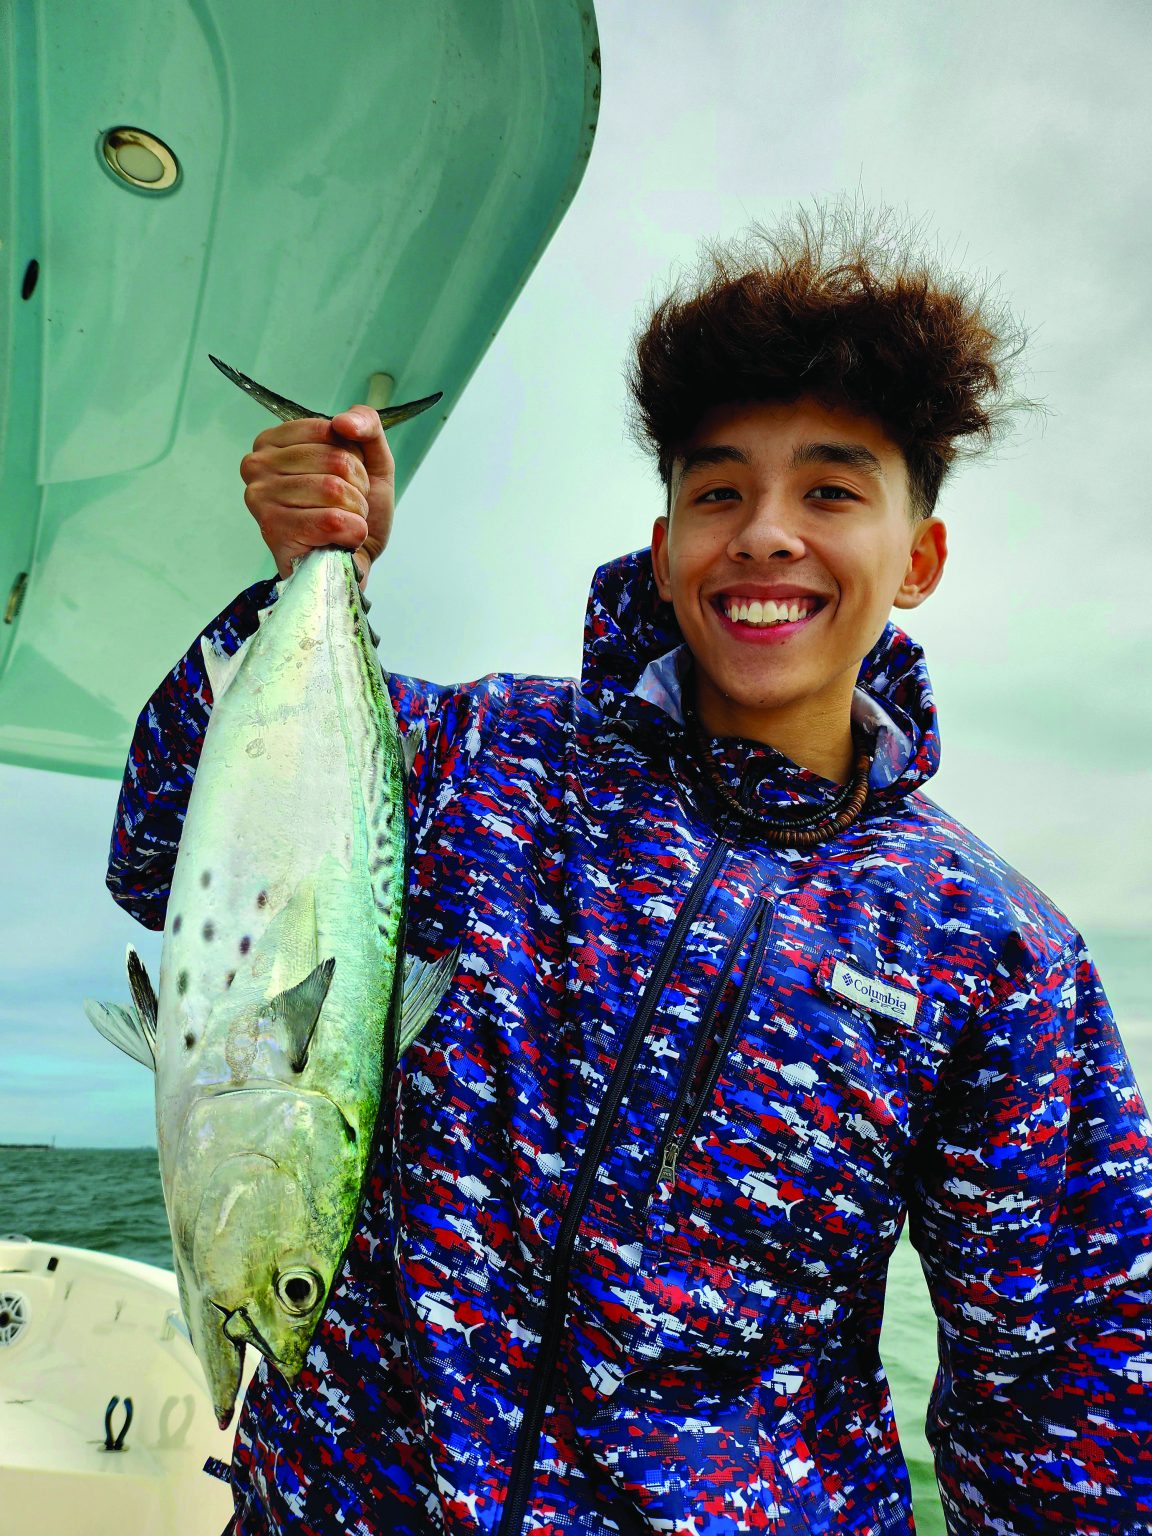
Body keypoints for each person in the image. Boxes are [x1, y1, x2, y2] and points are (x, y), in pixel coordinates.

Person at [107, 207, 1152, 1535]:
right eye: (717, 491)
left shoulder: (993, 949)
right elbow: (160, 852)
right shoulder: (471, 756)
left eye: (832, 491)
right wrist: (297, 579)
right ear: (666, 548)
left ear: (920, 556)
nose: (766, 534)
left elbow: (1068, 1372)